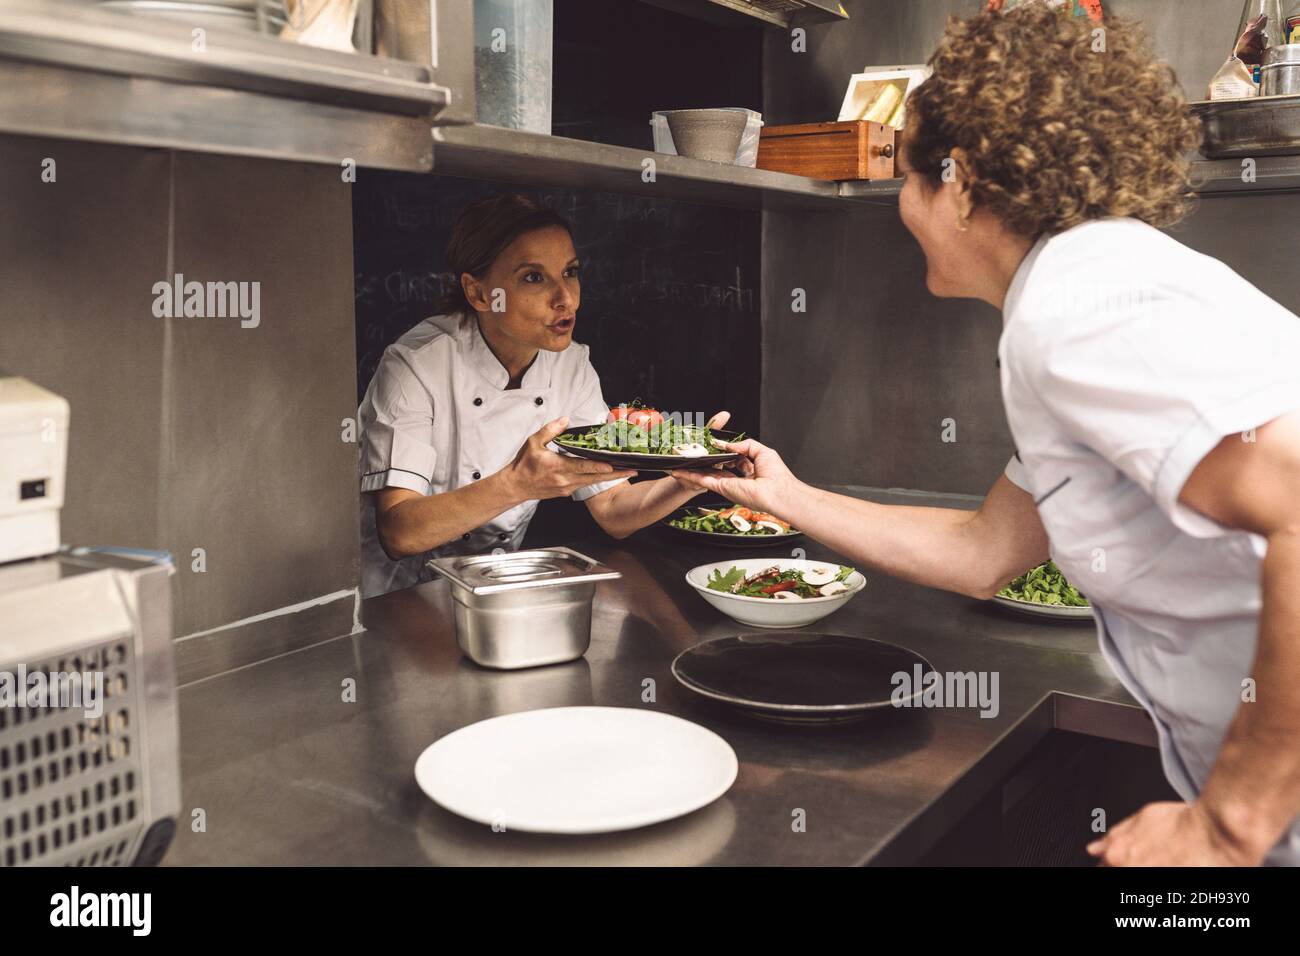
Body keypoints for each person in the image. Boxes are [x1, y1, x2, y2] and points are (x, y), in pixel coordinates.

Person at [680, 5, 1300, 866]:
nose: (901, 203)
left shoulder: (1069, 311)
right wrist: (787, 497)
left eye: (906, 175)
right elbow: (988, 551)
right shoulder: (1090, 280)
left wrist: (1228, 826)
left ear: (961, 183)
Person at [358, 193, 726, 598]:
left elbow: (614, 510)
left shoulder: (571, 366)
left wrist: (691, 479)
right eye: (533, 277)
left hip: (491, 590)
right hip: (395, 601)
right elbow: (399, 532)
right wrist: (518, 484)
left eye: (570, 272)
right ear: (479, 293)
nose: (565, 298)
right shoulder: (415, 365)